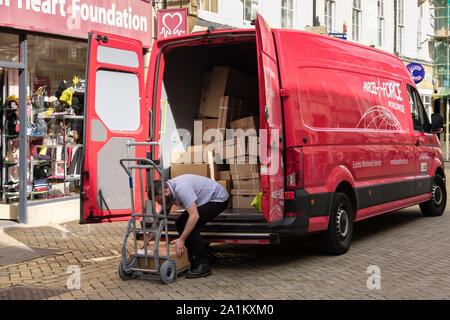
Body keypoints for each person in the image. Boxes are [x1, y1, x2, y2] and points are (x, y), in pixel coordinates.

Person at [149, 174, 229, 278]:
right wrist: (148, 237)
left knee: (191, 224)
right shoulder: (167, 193)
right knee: (180, 223)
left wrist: (181, 239)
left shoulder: (182, 188)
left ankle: (203, 264)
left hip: (218, 199)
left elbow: (194, 216)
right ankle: (193, 258)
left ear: (166, 192)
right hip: (203, 200)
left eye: (159, 201)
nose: (160, 204)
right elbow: (161, 217)